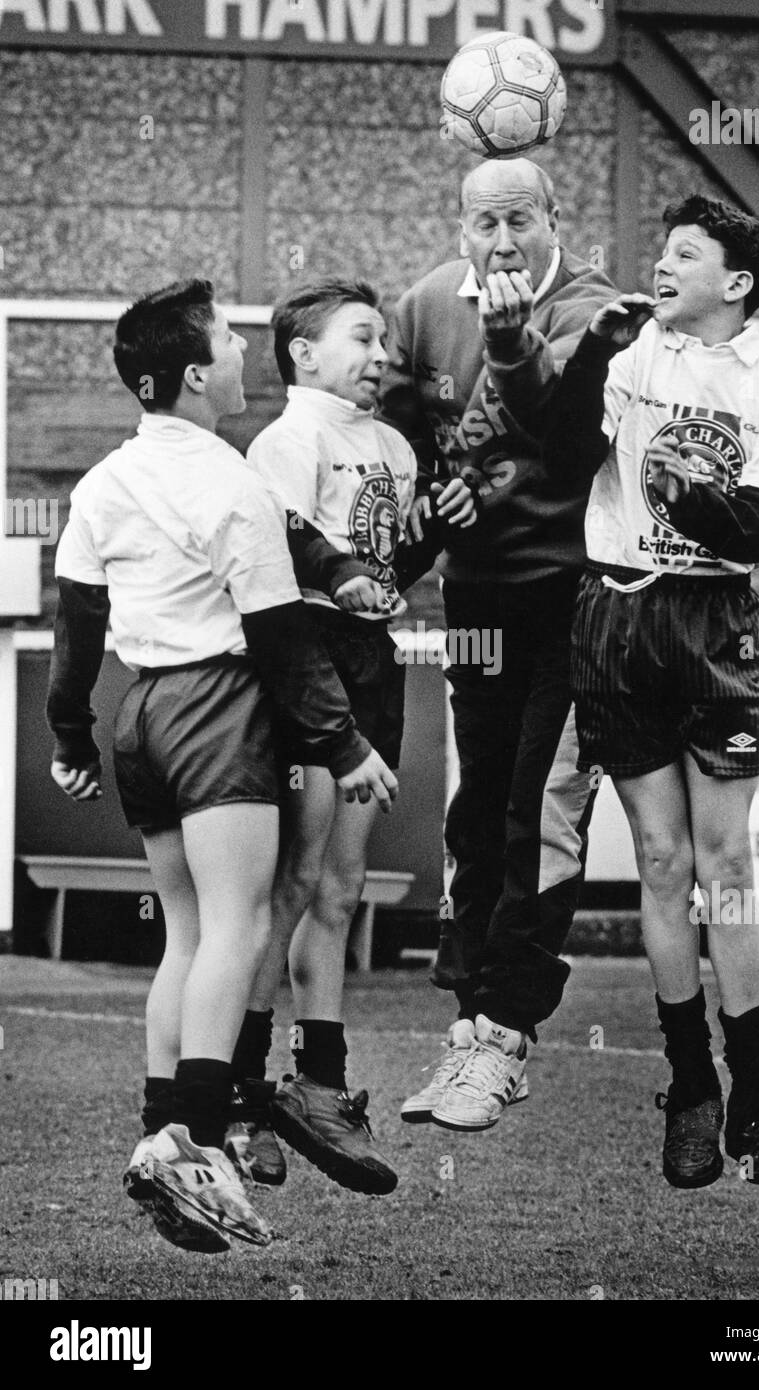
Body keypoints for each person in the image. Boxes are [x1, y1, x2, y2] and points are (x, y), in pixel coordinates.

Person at [46, 279, 396, 1253]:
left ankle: (164, 1131)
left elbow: (77, 623)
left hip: (140, 711)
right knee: (235, 928)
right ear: (196, 376)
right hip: (216, 707)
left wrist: (71, 736)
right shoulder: (234, 480)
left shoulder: (107, 481)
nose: (248, 351)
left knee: (186, 936)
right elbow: (282, 637)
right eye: (231, 341)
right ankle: (198, 1138)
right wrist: (346, 745)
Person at [544, 194, 759, 1187]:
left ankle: (758, 1099)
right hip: (616, 617)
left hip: (711, 620)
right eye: (660, 250)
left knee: (724, 861)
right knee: (660, 861)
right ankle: (690, 1083)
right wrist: (591, 351)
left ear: (733, 283)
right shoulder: (631, 354)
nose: (660, 265)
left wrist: (676, 490)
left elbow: (754, 530)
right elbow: (565, 455)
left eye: (683, 254)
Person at [380, 157, 617, 1132]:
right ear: (461, 228)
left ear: (557, 217)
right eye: (484, 223)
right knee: (475, 813)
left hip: (572, 600)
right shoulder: (426, 305)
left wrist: (515, 346)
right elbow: (402, 443)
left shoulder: (602, 313)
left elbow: (563, 446)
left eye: (520, 217)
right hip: (471, 603)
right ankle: (471, 1022)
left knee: (538, 810)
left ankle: (510, 1032)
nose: (503, 239)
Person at [237, 277, 478, 1194]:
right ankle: (241, 1091)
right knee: (293, 880)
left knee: (341, 886)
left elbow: (388, 564)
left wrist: (434, 533)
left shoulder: (390, 446)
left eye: (383, 343)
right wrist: (345, 582)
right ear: (303, 352)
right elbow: (289, 542)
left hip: (373, 658)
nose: (381, 357)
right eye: (361, 339)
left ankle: (320, 1084)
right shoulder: (286, 439)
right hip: (309, 655)